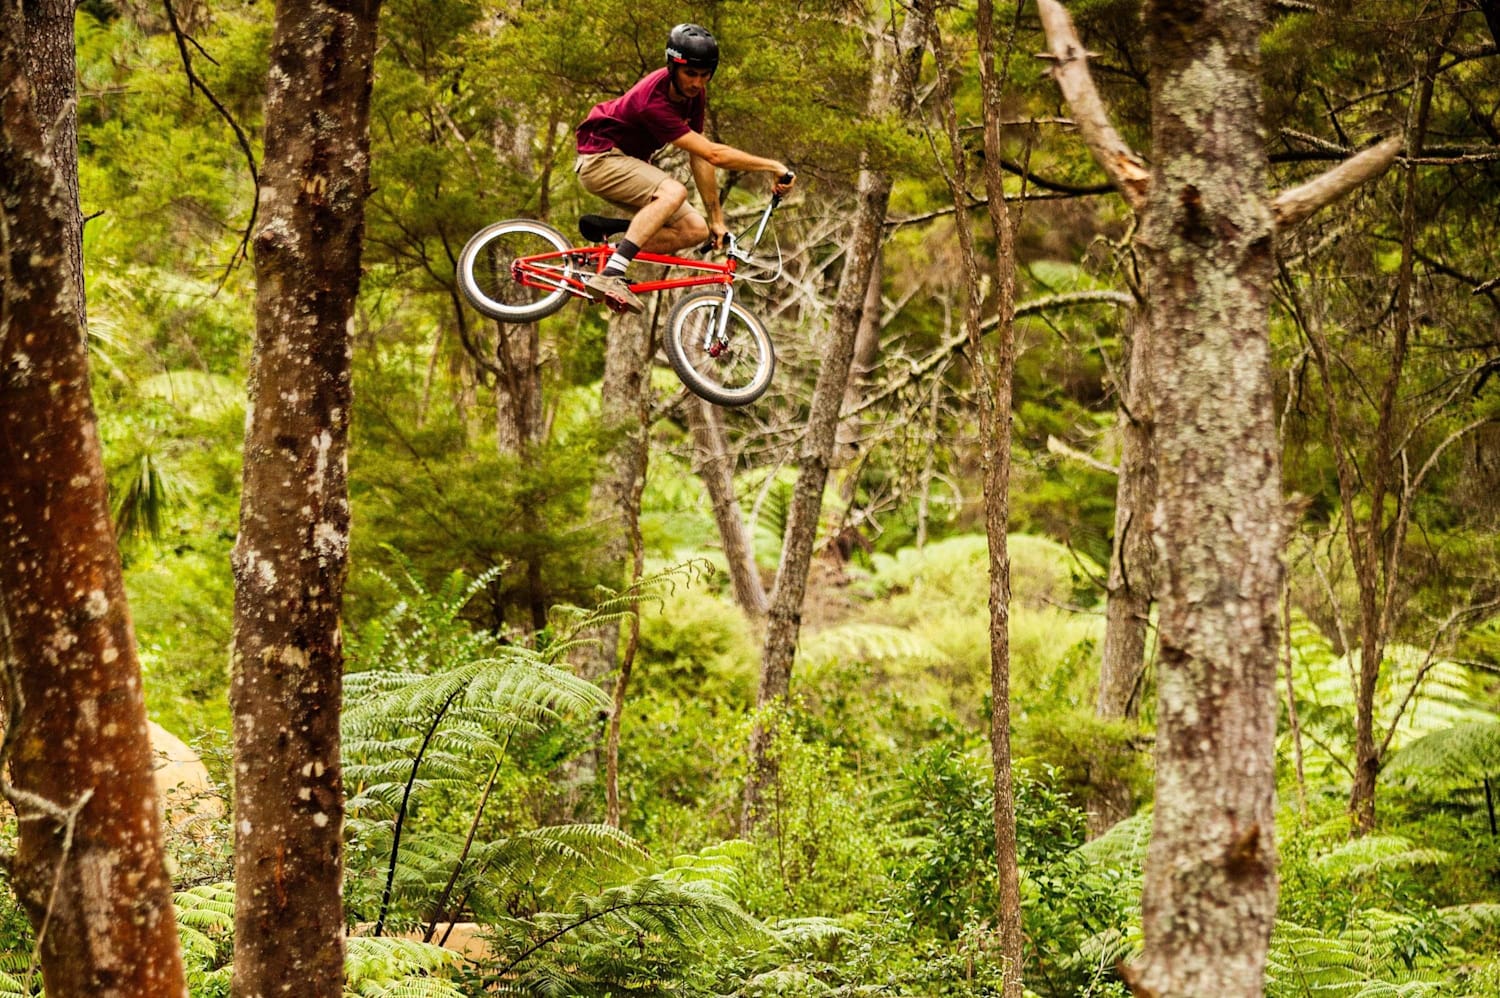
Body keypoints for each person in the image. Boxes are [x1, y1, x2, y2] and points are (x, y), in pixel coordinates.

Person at [573, 23, 795, 314]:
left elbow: (700, 156)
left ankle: (605, 259)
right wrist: (772, 166)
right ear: (672, 67)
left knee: (694, 229)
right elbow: (714, 154)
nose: (697, 83)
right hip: (600, 160)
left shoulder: (692, 96)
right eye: (690, 74)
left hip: (627, 162)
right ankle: (613, 275)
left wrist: (716, 219)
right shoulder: (652, 101)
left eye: (705, 76)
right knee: (673, 191)